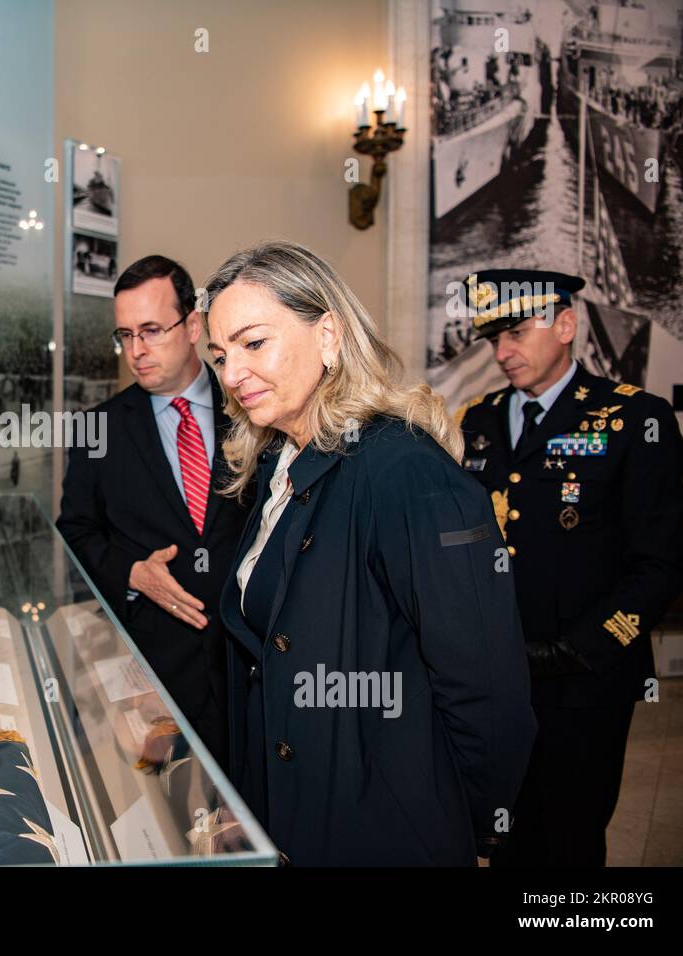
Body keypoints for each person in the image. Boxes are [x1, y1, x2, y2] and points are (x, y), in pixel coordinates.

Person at [205, 241, 535, 865]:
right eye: (220, 356)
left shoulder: (406, 471)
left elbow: (485, 689)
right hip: (291, 817)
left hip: (386, 829)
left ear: (328, 336)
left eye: (254, 344)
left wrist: (478, 830)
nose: (232, 373)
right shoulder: (279, 463)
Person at [455, 269, 683, 867]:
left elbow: (659, 567)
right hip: (496, 674)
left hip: (587, 681)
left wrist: (576, 651)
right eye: (491, 338)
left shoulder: (634, 420)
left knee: (570, 837)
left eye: (515, 332)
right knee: (499, 831)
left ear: (565, 324)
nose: (502, 352)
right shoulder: (475, 422)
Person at [57, 255, 251, 769]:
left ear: (191, 326)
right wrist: (133, 572)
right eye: (124, 335)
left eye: (150, 330)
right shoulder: (97, 429)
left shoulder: (254, 409)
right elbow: (74, 531)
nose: (136, 352)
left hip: (251, 671)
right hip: (156, 677)